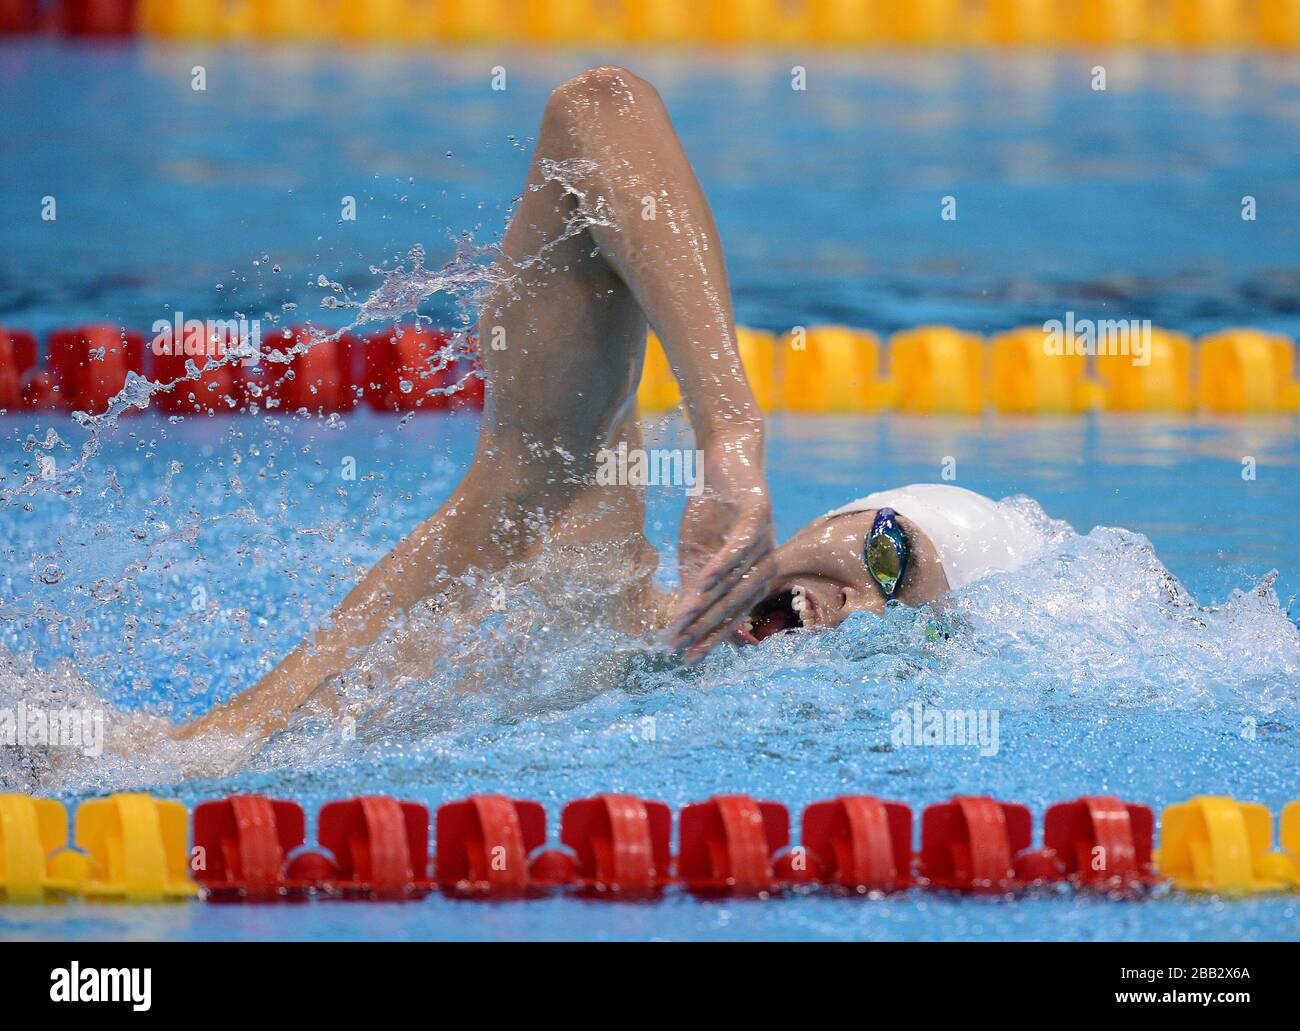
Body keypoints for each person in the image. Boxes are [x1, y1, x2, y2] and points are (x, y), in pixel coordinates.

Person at [177, 66, 1037, 744]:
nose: (867, 610)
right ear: (842, 515)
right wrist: (732, 437)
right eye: (892, 559)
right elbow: (597, 111)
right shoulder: (580, 552)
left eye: (906, 639)